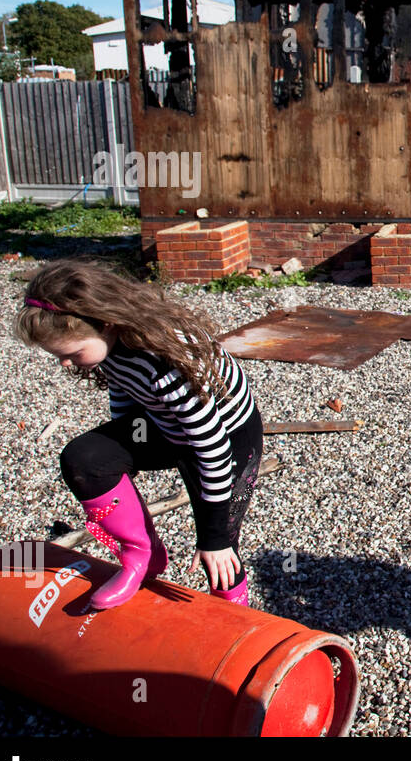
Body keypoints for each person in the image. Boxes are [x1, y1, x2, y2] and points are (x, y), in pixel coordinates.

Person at [16, 260, 262, 609]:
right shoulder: (108, 343)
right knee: (85, 460)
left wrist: (214, 538)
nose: (65, 365)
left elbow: (211, 448)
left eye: (70, 354)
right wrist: (123, 449)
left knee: (218, 549)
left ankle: (233, 614)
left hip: (226, 439)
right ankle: (141, 555)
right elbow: (124, 391)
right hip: (164, 426)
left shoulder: (164, 361)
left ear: (104, 323)